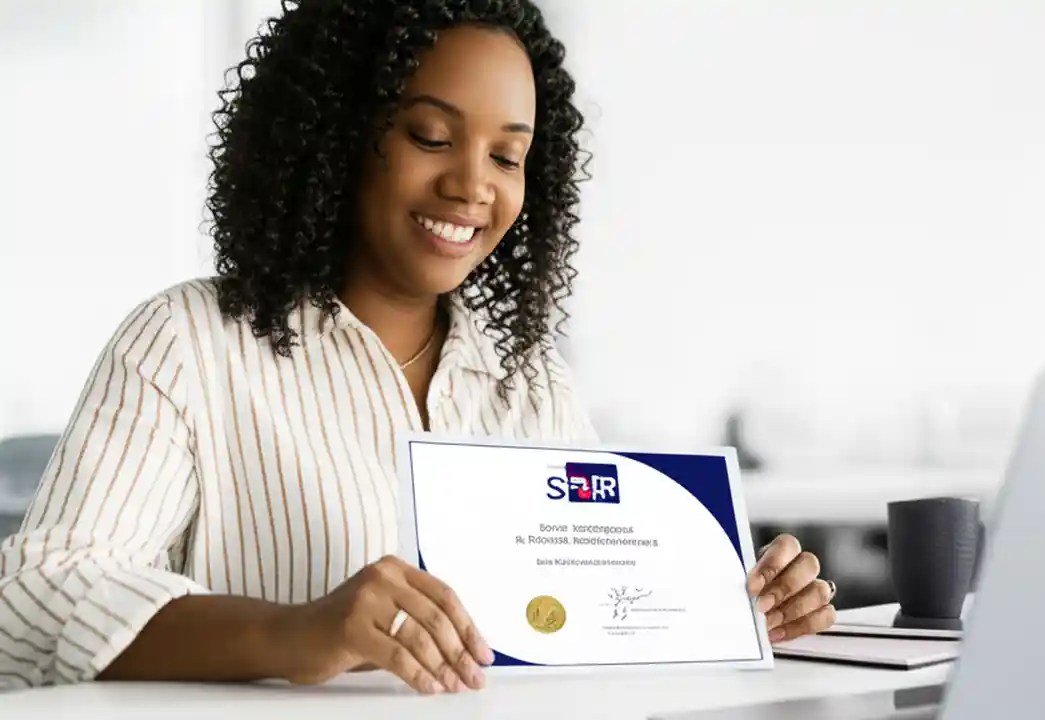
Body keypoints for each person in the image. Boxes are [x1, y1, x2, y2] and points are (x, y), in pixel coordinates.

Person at [0, 0, 835, 693]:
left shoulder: (528, 382)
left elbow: (578, 630)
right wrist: (302, 634)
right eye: (432, 137)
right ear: (336, 138)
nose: (472, 185)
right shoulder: (186, 344)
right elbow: (32, 598)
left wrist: (716, 609)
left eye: (507, 155)